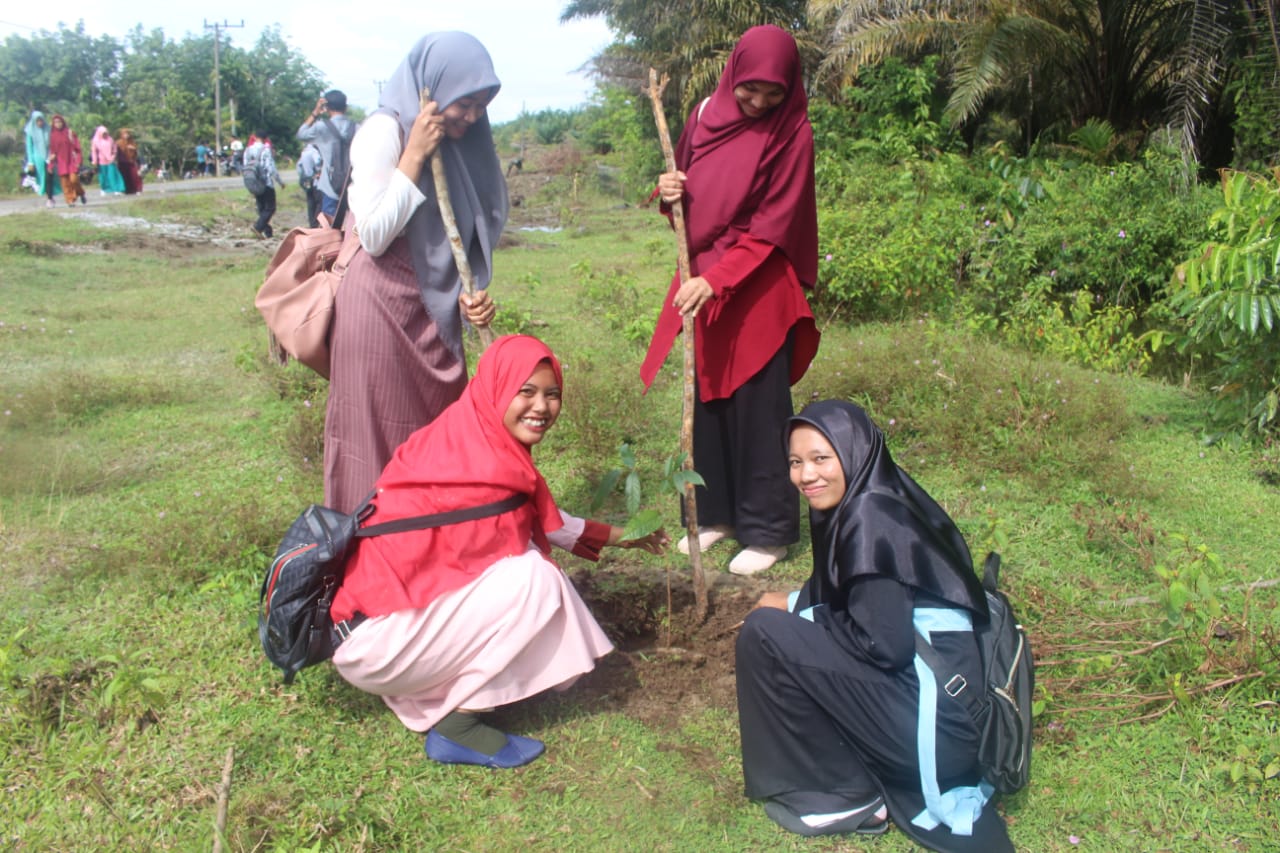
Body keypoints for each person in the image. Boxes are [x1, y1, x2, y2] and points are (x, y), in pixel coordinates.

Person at [331, 334, 668, 768]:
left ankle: (426, 682)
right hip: (378, 645)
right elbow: (535, 529)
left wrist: (622, 535)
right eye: (525, 391)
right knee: (534, 579)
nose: (541, 407)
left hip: (362, 632)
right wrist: (617, 536)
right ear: (496, 388)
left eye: (552, 394)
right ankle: (459, 728)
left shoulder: (458, 434)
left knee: (523, 571)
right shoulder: (493, 468)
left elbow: (541, 519)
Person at [734, 400, 1013, 851]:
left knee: (764, 634)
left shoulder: (869, 521)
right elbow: (852, 592)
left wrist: (802, 618)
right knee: (786, 624)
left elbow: (885, 646)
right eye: (795, 462)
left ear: (855, 452)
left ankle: (844, 796)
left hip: (940, 736)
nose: (806, 475)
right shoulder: (883, 496)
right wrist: (796, 603)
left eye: (821, 458)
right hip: (960, 717)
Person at [640, 25, 821, 576]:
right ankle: (715, 514)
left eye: (773, 93)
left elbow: (773, 225)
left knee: (759, 410)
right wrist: (668, 191)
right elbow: (685, 194)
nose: (760, 103)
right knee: (709, 401)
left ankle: (768, 531)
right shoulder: (702, 116)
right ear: (733, 75)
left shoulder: (793, 132)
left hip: (757, 286)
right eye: (750, 91)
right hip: (703, 281)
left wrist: (717, 280)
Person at [324, 31, 505, 514]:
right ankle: (372, 551)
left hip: (433, 317)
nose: (472, 117)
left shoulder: (460, 143)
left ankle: (435, 548)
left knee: (441, 439)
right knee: (376, 449)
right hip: (379, 312)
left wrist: (468, 296)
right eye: (464, 103)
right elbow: (375, 235)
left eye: (482, 106)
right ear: (434, 89)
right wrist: (415, 155)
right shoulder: (384, 131)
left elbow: (452, 241)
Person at [296, 88, 357, 222]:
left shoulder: (322, 127)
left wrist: (315, 113)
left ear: (327, 108)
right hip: (353, 184)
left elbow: (301, 134)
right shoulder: (357, 128)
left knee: (329, 226)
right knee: (353, 227)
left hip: (329, 186)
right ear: (346, 107)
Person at [243, 130, 286, 238]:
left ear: (254, 137)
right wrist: (280, 182)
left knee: (262, 208)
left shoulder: (248, 150)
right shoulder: (266, 150)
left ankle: (267, 232)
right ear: (266, 138)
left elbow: (245, 166)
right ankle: (258, 227)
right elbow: (271, 168)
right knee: (271, 208)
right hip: (266, 182)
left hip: (253, 182)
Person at [47, 115, 86, 206]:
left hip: (72, 161)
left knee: (74, 180)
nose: (58, 124)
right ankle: (70, 200)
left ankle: (80, 193)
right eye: (56, 122)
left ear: (63, 122)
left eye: (59, 122)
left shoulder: (70, 133)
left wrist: (79, 160)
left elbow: (77, 148)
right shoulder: (53, 136)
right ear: (53, 124)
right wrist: (50, 165)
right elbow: (53, 152)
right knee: (65, 183)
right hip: (61, 162)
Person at [23, 110, 56, 208]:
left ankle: (50, 198)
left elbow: (53, 143)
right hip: (37, 159)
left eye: (41, 120)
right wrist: (31, 162)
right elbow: (29, 147)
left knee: (49, 177)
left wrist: (53, 154)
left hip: (49, 157)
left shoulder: (48, 129)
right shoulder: (30, 131)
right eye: (37, 121)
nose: (40, 123)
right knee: (43, 178)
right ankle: (48, 196)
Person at [91, 126, 126, 194]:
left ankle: (117, 189)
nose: (104, 134)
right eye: (103, 133)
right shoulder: (95, 141)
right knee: (103, 176)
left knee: (112, 175)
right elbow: (94, 151)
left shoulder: (110, 139)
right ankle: (104, 189)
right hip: (101, 161)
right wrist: (94, 161)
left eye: (105, 133)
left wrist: (113, 156)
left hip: (110, 160)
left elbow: (114, 148)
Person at [297, 142, 323, 228]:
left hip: (307, 180)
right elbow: (318, 162)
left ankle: (312, 224)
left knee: (310, 200)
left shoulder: (304, 152)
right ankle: (316, 221)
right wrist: (319, 172)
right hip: (315, 181)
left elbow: (299, 166)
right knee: (319, 201)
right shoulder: (314, 152)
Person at [116, 128, 143, 194]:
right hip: (122, 162)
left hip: (131, 161)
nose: (126, 135)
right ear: (121, 134)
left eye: (127, 134)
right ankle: (126, 190)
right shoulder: (118, 142)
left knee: (134, 176)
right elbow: (116, 151)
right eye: (125, 134)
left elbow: (136, 151)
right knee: (124, 176)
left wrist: (134, 148)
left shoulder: (131, 141)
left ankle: (137, 189)